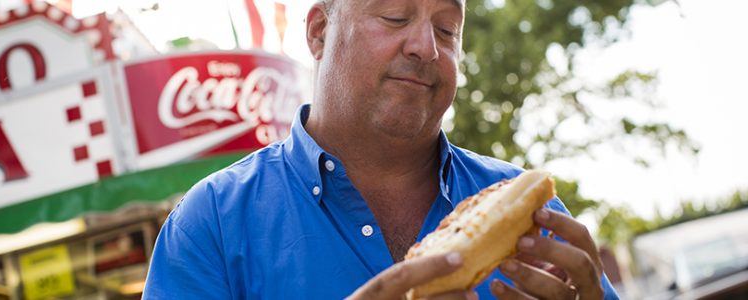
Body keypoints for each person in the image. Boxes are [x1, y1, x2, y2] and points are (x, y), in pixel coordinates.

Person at [143, 0, 619, 299]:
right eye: (395, 16)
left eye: (447, 29)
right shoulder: (210, 224)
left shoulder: (536, 214)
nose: (426, 47)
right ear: (319, 32)